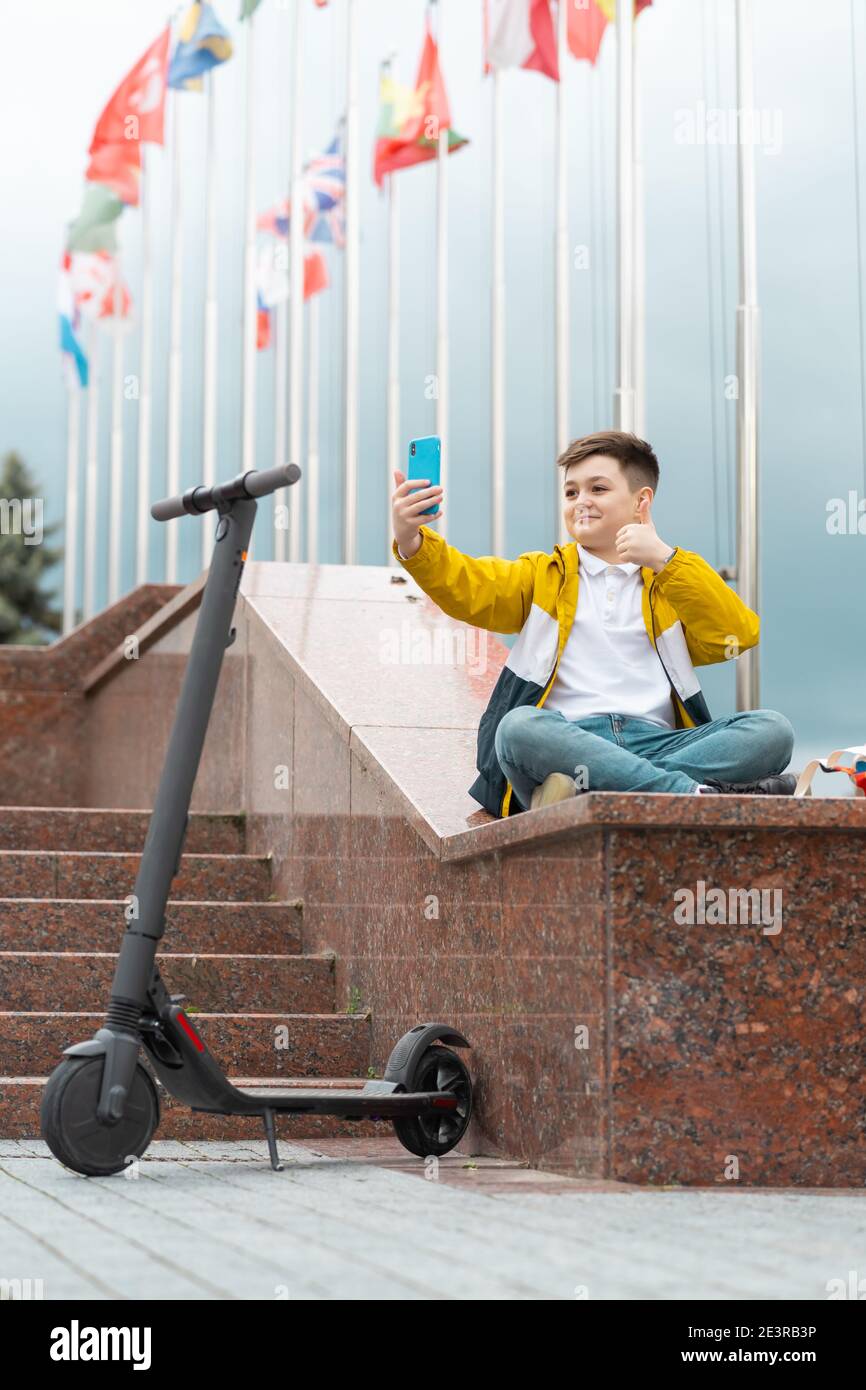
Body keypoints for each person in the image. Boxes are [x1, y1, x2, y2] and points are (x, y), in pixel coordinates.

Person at [390, 429, 797, 819]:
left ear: (642, 501)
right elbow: (468, 585)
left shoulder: (671, 580)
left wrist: (667, 561)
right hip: (568, 740)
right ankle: (691, 795)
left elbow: (736, 633)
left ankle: (601, 790)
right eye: (571, 492)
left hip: (657, 744)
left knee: (771, 731)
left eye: (598, 489)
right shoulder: (543, 574)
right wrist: (412, 540)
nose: (580, 500)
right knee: (519, 728)